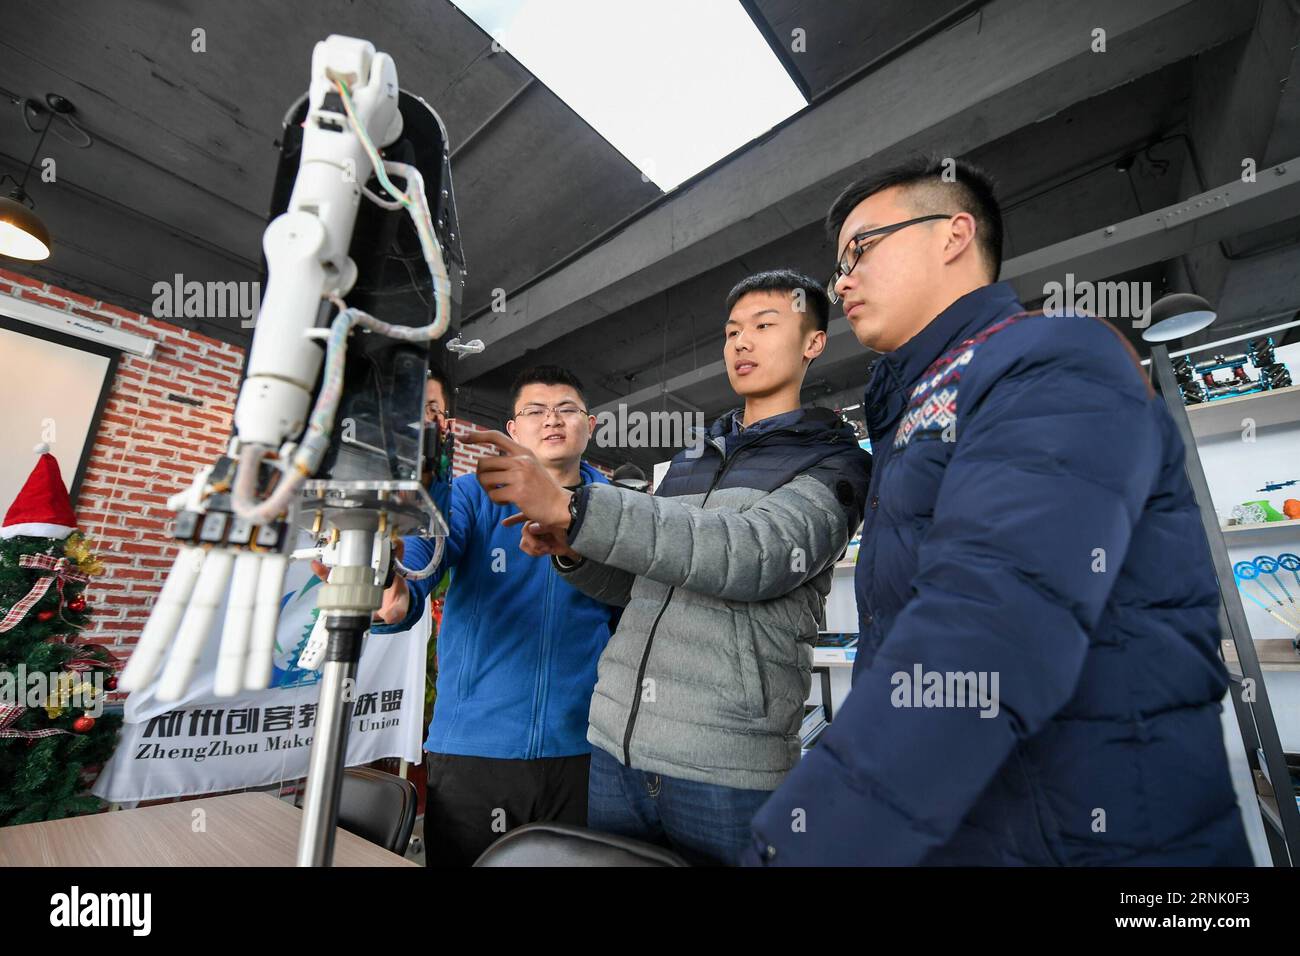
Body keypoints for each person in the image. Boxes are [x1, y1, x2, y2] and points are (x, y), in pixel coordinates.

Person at [742, 155, 1251, 865]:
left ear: (953, 234)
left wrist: (812, 843)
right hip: (986, 824)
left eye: (861, 248)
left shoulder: (1052, 357)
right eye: (837, 266)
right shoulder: (912, 412)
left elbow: (988, 623)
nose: (842, 281)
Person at [465, 270, 872, 864]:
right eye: (732, 331)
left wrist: (575, 506)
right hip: (615, 750)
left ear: (813, 343)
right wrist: (573, 549)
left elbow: (751, 556)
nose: (741, 343)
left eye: (764, 326)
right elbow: (640, 584)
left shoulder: (835, 462)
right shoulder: (690, 459)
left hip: (725, 764)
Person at [368, 365, 617, 866]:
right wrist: (391, 586)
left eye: (567, 409)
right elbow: (416, 567)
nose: (553, 420)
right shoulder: (469, 495)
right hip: (476, 752)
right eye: (535, 411)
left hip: (587, 752)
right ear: (513, 431)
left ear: (589, 426)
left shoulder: (618, 507)